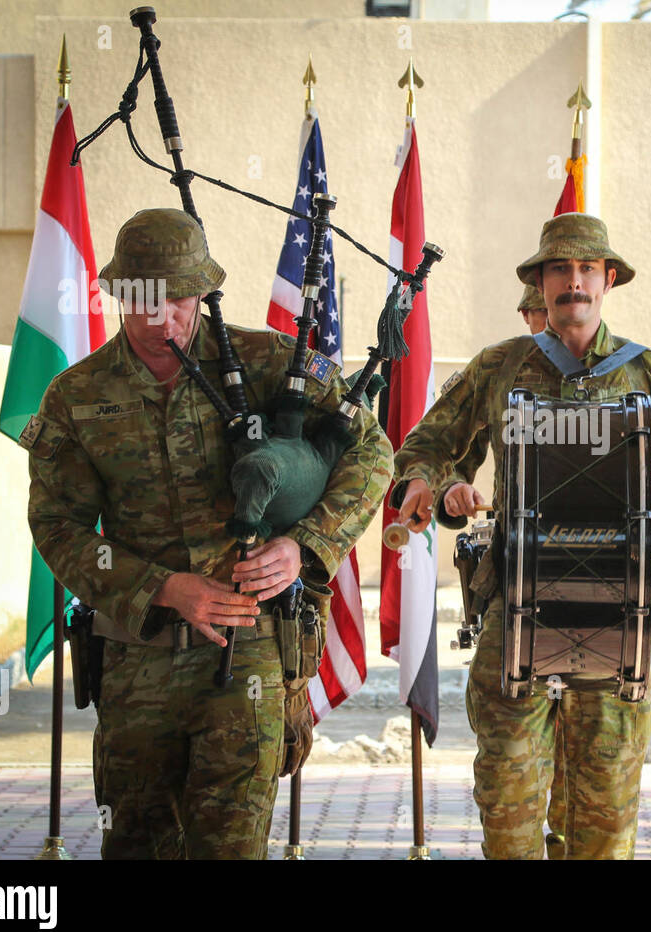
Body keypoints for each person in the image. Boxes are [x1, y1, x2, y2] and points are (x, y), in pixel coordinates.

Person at [22, 208, 392, 859]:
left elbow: (370, 452)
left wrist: (305, 544)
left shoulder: (270, 361)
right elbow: (59, 525)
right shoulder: (75, 397)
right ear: (117, 293)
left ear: (203, 292)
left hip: (247, 660)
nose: (163, 318)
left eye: (179, 299)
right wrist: (161, 586)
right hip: (139, 664)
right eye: (143, 300)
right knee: (135, 845)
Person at [392, 212, 651, 858]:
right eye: (559, 269)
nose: (574, 281)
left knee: (605, 813)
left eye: (587, 268)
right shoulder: (501, 367)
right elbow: (428, 444)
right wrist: (434, 486)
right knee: (506, 800)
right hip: (519, 614)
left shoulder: (648, 375)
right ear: (541, 282)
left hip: (620, 616)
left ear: (608, 278)